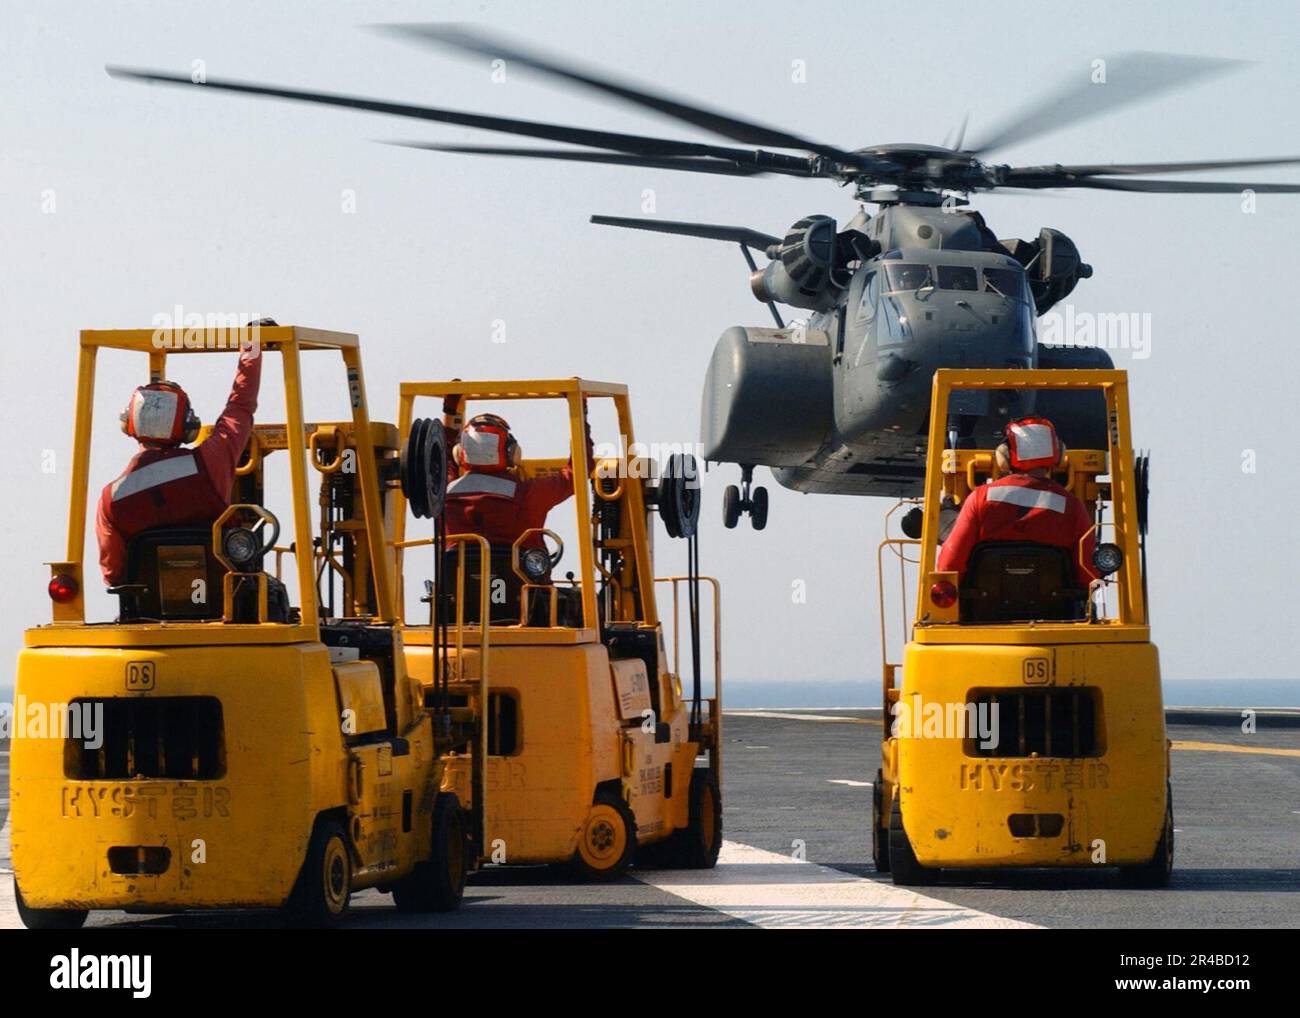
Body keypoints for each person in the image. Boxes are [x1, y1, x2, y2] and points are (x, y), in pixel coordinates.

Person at [96, 341, 263, 587]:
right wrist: (252, 346)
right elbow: (241, 406)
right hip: (225, 601)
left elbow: (113, 574)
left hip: (146, 614)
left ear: (128, 423)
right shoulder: (208, 464)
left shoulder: (110, 500)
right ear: (188, 427)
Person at [937, 416, 1097, 586]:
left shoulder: (980, 498)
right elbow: (1088, 575)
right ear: (1058, 454)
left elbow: (950, 564)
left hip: (982, 609)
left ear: (1004, 456)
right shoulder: (1072, 507)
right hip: (1058, 610)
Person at [440, 397, 591, 552]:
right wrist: (580, 412)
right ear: (511, 452)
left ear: (460, 453)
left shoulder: (443, 492)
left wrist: (450, 410)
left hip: (457, 575)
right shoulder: (527, 493)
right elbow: (576, 474)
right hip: (518, 576)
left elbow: (442, 459)